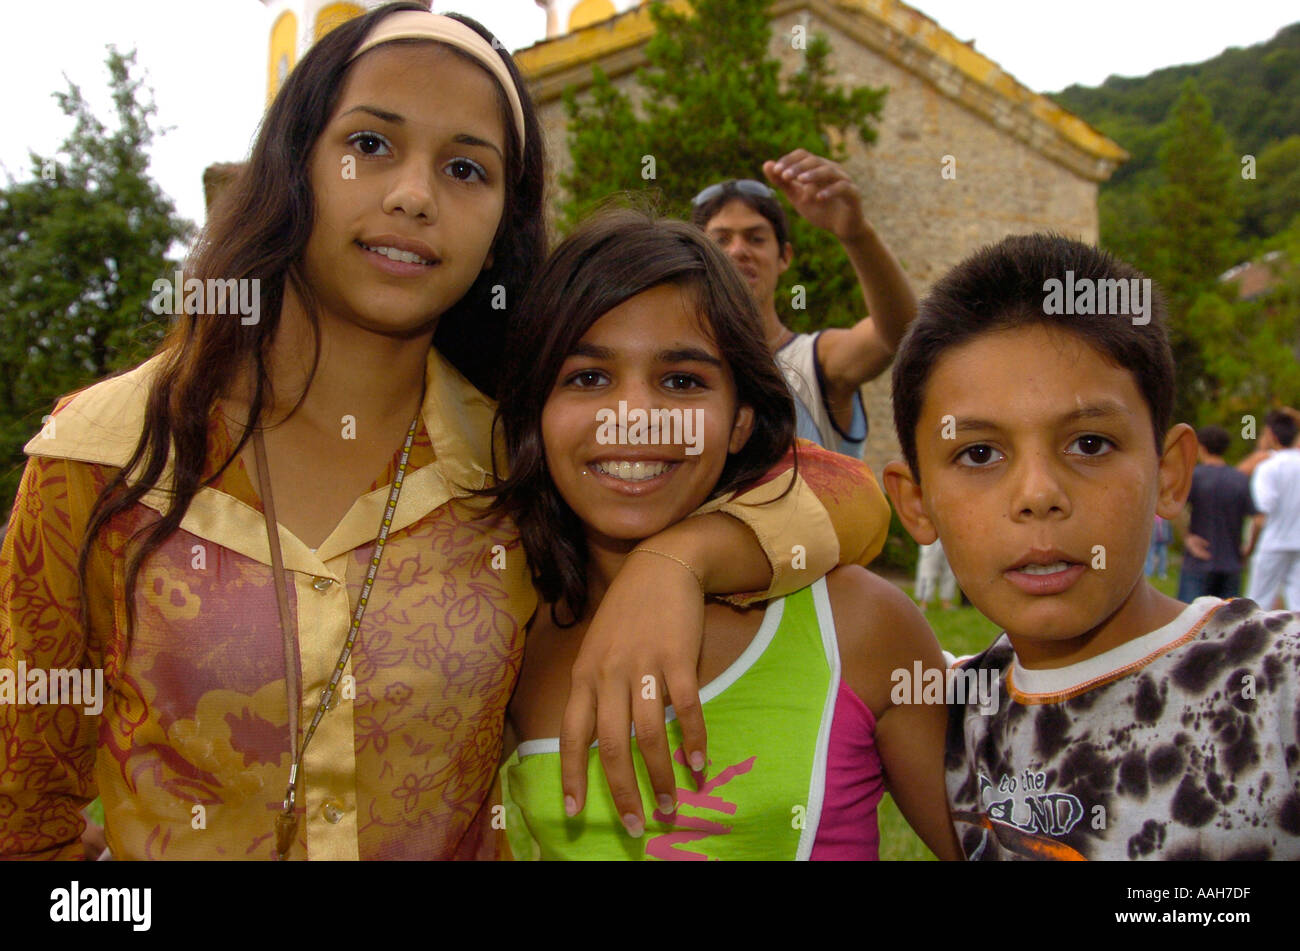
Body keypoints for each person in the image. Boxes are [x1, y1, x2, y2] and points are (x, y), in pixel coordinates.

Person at [0, 5, 890, 860]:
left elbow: (849, 496)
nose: (415, 196)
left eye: (468, 169)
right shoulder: (103, 455)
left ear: (506, 218)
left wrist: (680, 558)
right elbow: (23, 811)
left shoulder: (520, 455)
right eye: (370, 145)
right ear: (293, 164)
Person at [489, 208, 959, 860]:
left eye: (682, 381)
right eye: (588, 377)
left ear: (739, 421)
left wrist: (677, 558)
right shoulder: (511, 644)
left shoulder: (860, 624)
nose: (636, 418)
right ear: (537, 410)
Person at [883, 233, 1300, 860]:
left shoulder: (1278, 686)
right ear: (916, 503)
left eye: (1090, 444)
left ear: (1170, 474)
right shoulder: (948, 717)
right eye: (979, 454)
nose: (1038, 494)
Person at [691, 152, 917, 458]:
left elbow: (901, 333)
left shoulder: (815, 363)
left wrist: (855, 233)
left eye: (756, 238)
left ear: (785, 257)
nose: (739, 250)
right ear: (700, 260)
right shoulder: (681, 370)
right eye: (721, 240)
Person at [1176, 424, 1257, 600]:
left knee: (1190, 622)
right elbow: (1258, 519)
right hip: (1231, 562)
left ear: (1201, 447)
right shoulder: (1240, 479)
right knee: (1226, 622)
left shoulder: (1195, 476)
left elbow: (1177, 508)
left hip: (1199, 560)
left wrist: (1187, 537)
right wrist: (1248, 548)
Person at [1245, 409, 1300, 610]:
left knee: (1259, 601)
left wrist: (1250, 545)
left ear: (1272, 437)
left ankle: (1253, 641)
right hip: (1298, 541)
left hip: (1275, 541)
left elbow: (1263, 509)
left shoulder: (1268, 467)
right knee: (1297, 602)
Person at [915, 541, 957, 611]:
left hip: (949, 538)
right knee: (926, 572)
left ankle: (946, 602)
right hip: (931, 541)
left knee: (950, 572)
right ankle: (923, 604)